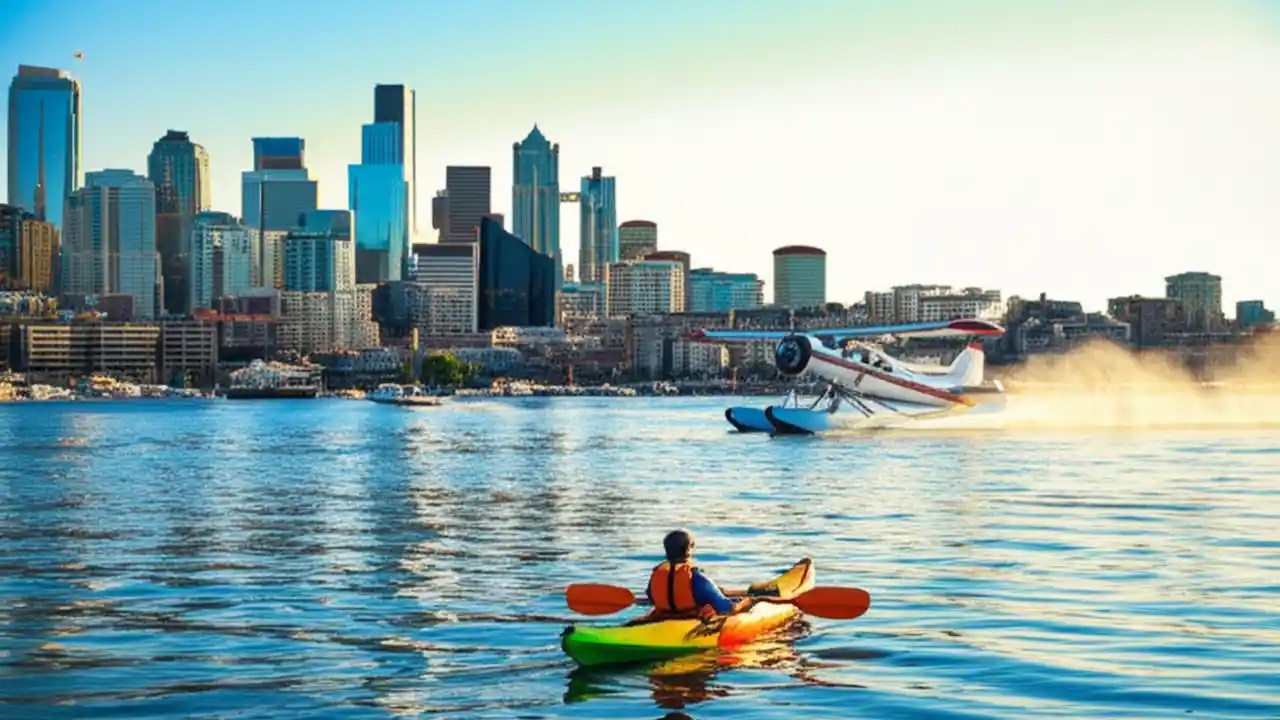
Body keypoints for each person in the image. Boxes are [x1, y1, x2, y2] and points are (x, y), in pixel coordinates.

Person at [646, 529, 737, 619]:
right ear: (689, 548)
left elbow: (652, 598)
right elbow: (725, 608)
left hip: (661, 619)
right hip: (690, 619)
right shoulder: (697, 577)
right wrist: (748, 602)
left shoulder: (656, 575)